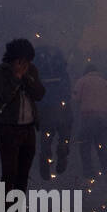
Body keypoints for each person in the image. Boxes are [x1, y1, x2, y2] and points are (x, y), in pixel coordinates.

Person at [0, 39, 45, 194]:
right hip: (8, 128)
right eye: (22, 60)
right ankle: (6, 211)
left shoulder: (32, 70)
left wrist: (27, 78)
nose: (25, 64)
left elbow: (40, 94)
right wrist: (16, 78)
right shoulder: (0, 73)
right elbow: (3, 97)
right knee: (9, 173)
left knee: (23, 174)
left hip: (28, 129)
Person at [72, 64, 107, 180]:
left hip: (88, 117)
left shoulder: (82, 81)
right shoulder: (105, 83)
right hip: (104, 117)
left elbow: (75, 98)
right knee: (101, 144)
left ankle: (89, 172)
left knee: (85, 145)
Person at [37, 48, 72, 181]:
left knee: (46, 139)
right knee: (64, 135)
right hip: (63, 109)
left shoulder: (42, 73)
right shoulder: (63, 73)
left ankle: (45, 161)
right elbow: (68, 92)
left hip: (46, 109)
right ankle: (62, 150)